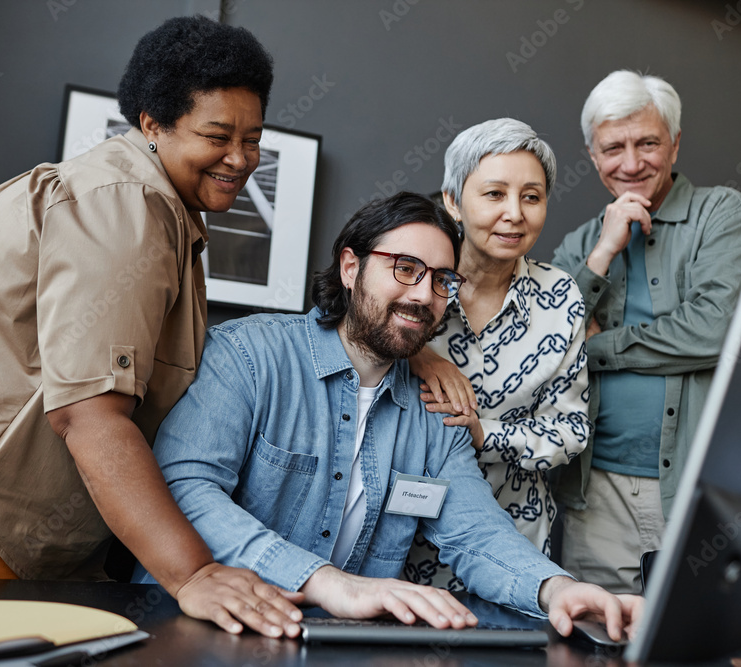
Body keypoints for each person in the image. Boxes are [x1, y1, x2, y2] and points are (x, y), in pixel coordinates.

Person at [0, 16, 306, 638]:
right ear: (151, 124)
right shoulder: (127, 203)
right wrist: (192, 572)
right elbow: (87, 413)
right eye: (217, 135)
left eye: (253, 139)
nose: (240, 159)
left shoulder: (142, 201)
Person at [134, 192, 643, 640]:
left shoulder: (435, 411)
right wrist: (325, 582)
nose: (423, 295)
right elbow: (183, 486)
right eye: (405, 268)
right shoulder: (249, 355)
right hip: (191, 627)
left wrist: (557, 589)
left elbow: (476, 533)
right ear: (351, 268)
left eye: (442, 280)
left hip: (331, 644)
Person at [550, 70, 741, 593]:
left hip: (694, 488)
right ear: (592, 156)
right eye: (613, 147)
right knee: (598, 647)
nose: (631, 163)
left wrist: (597, 347)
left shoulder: (723, 214)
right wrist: (602, 254)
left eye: (648, 143)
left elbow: (714, 331)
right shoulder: (579, 246)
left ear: (675, 143)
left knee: (692, 646)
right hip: (594, 494)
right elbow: (548, 349)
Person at [402, 119, 590, 591]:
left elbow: (570, 430)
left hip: (515, 540)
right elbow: (339, 331)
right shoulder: (412, 277)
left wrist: (486, 433)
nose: (515, 214)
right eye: (494, 194)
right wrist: (415, 355)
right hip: (402, 539)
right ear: (452, 201)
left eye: (531, 196)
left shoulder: (560, 295)